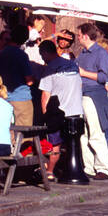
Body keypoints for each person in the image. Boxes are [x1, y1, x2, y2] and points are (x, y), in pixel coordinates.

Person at [39, 39, 83, 179]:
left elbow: (45, 94)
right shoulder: (72, 65)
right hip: (75, 110)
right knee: (72, 144)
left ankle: (50, 171)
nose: (42, 58)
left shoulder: (50, 68)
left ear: (45, 53)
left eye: (41, 55)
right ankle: (70, 169)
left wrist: (45, 115)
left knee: (55, 144)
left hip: (58, 112)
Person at [75, 23, 108, 179]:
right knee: (83, 134)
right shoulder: (82, 54)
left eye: (78, 35)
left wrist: (84, 73)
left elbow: (105, 77)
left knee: (96, 132)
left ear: (85, 35)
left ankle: (103, 168)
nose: (77, 38)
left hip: (94, 95)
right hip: (80, 94)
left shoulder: (101, 53)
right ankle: (88, 167)